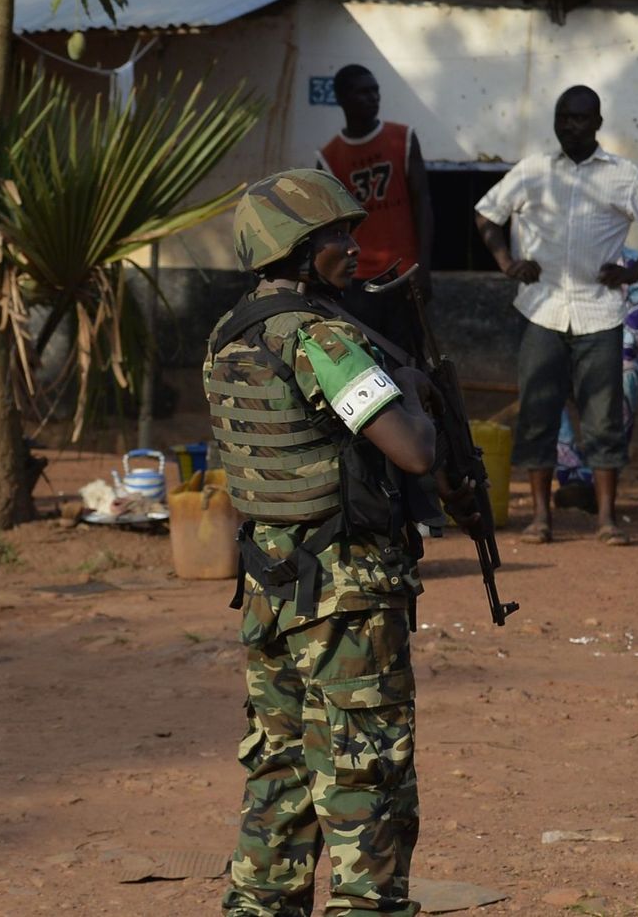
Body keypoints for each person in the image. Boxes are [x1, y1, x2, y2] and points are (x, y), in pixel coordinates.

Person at [205, 168, 475, 917]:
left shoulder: (232, 332)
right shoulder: (320, 338)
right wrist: (411, 394)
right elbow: (412, 450)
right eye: (334, 236)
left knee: (280, 768)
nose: (352, 248)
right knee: (367, 772)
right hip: (342, 590)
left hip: (270, 582)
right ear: (294, 248)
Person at [474, 85, 638, 546]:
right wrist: (506, 263)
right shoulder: (533, 171)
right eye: (563, 117)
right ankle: (540, 518)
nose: (570, 125)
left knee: (603, 418)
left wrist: (635, 271)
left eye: (580, 118)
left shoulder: (623, 176)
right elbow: (486, 214)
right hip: (540, 310)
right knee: (538, 414)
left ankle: (606, 519)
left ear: (598, 123)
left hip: (599, 313)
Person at [318, 64, 433, 355]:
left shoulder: (403, 138)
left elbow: (422, 204)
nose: (373, 97)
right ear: (342, 98)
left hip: (404, 274)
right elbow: (329, 226)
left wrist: (424, 267)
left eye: (375, 90)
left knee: (410, 358)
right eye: (363, 92)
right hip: (358, 279)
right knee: (368, 357)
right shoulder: (329, 158)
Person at [555, 246, 638, 510]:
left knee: (625, 374)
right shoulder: (567, 257)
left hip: (625, 355)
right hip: (577, 354)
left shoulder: (633, 262)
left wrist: (595, 361)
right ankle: (571, 474)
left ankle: (600, 476)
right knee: (545, 376)